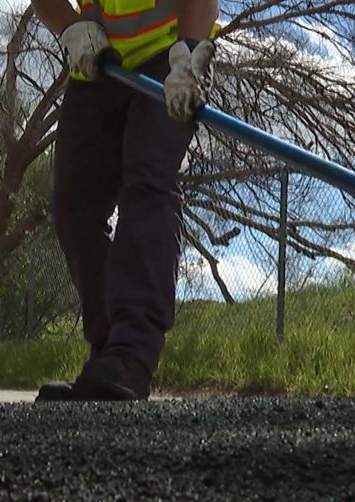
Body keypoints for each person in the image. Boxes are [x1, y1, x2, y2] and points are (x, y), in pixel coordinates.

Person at [30, 0, 219, 401]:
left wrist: (188, 54)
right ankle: (107, 353)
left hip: (171, 55)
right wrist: (71, 29)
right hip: (103, 58)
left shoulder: (180, 53)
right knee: (73, 205)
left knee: (148, 182)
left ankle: (131, 357)